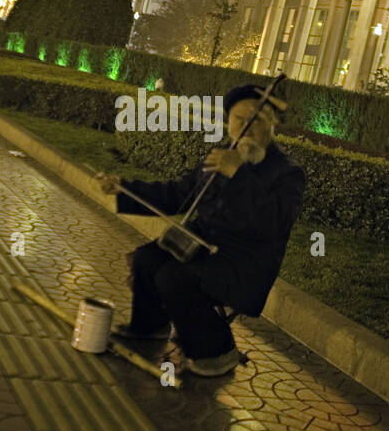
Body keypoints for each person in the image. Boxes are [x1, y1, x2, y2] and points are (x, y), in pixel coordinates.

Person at [93, 84, 305, 376]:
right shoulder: (221, 156)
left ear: (273, 125)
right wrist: (123, 188)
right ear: (228, 123)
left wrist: (238, 174)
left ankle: (218, 350)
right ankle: (149, 328)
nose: (245, 127)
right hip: (200, 246)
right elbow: (178, 194)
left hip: (245, 263)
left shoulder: (288, 173)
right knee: (147, 258)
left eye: (255, 120)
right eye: (238, 119)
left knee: (175, 277)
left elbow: (274, 223)